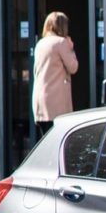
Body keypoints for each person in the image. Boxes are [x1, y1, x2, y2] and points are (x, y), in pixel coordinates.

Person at [32, 12, 78, 144]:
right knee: (58, 144)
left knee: (45, 142)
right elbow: (73, 67)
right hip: (56, 103)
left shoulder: (40, 43)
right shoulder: (61, 43)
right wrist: (71, 47)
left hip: (41, 102)